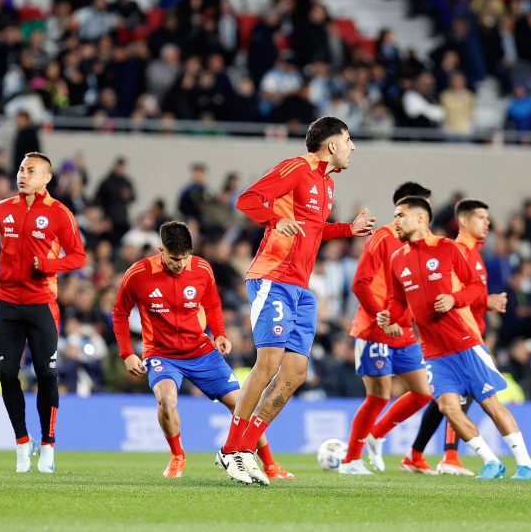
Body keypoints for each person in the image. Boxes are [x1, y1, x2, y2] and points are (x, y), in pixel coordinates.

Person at [215, 116, 375, 485]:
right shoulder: (297, 167)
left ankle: (246, 447)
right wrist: (274, 219)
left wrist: (347, 230)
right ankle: (231, 451)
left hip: (301, 287)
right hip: (272, 277)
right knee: (269, 362)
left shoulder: (326, 184)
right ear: (331, 144)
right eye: (349, 140)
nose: (353, 147)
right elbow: (247, 199)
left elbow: (315, 231)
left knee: (296, 373)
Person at [113, 221, 293, 481]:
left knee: (242, 404)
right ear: (160, 249)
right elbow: (119, 312)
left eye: (185, 258)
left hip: (201, 352)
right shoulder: (138, 273)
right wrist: (127, 352)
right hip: (161, 354)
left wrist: (219, 333)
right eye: (175, 259)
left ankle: (271, 465)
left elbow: (212, 303)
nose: (180, 265)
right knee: (166, 400)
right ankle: (177, 455)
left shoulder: (201, 268)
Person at [377, 197, 531, 479]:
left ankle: (526, 464)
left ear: (420, 219)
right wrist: (388, 316)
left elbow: (476, 288)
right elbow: (397, 301)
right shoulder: (397, 258)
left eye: (400, 216)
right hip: (435, 353)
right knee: (447, 407)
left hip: (464, 343)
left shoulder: (447, 248)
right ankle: (491, 462)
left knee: (489, 403)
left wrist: (454, 298)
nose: (396, 222)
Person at [0, 152, 85, 474]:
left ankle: (48, 444)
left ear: (46, 177)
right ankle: (22, 441)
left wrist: (49, 265)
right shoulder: (2, 208)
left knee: (47, 375)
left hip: (42, 304)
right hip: (6, 304)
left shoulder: (59, 214)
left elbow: (78, 256)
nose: (23, 175)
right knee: (6, 374)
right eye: (21, 169)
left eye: (31, 171)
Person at [403, 198, 509, 475]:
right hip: (459, 339)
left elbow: (462, 297)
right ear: (464, 220)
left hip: (469, 335)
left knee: (446, 403)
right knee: (455, 401)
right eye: (482, 218)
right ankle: (449, 456)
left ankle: (415, 454)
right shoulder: (455, 249)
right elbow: (448, 299)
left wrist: (486, 302)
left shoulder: (473, 252)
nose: (488, 223)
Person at [339, 182, 434, 475]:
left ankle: (376, 435)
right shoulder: (382, 238)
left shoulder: (419, 243)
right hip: (374, 329)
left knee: (422, 393)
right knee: (378, 395)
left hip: (403, 330)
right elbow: (360, 283)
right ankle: (350, 460)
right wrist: (383, 316)